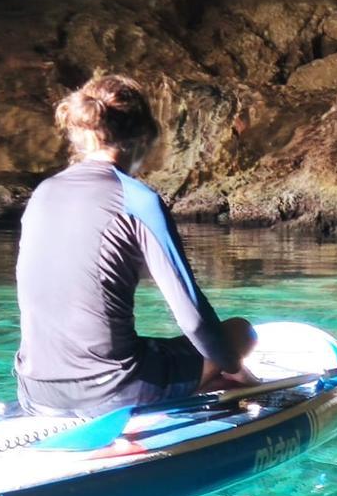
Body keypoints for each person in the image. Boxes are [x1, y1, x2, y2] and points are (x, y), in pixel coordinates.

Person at [14, 74, 257, 418]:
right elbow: (194, 321)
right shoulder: (138, 200)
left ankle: (202, 385)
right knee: (240, 333)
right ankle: (221, 386)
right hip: (112, 393)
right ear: (145, 138)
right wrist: (233, 367)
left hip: (34, 389)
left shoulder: (44, 193)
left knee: (156, 351)